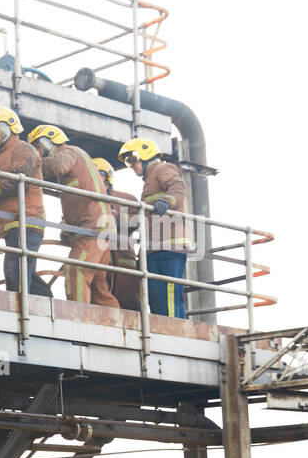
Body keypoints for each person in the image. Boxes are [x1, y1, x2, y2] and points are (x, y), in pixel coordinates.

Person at [26, 125, 118, 307]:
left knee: (76, 271)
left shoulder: (69, 152)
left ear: (49, 141)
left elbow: (58, 165)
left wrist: (29, 165)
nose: (39, 152)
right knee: (99, 287)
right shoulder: (76, 159)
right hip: (97, 227)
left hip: (92, 228)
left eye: (39, 147)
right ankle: (114, 322)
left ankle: (78, 317)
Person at [0, 106, 52, 297]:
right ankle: (48, 302)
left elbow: (14, 181)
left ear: (10, 128)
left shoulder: (23, 149)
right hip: (13, 223)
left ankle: (19, 316)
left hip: (27, 221)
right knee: (23, 271)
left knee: (15, 270)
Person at [117, 137, 195, 318]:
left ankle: (173, 331)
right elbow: (146, 215)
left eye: (131, 160)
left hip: (169, 244)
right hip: (154, 246)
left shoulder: (162, 168)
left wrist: (166, 201)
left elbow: (178, 188)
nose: (131, 166)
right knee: (156, 294)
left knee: (167, 293)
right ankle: (168, 328)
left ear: (143, 154)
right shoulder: (149, 181)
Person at [93, 157, 141, 310]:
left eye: (98, 174)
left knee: (129, 298)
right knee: (99, 298)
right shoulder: (83, 200)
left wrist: (117, 218)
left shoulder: (125, 199)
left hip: (123, 257)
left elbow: (139, 221)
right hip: (97, 257)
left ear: (107, 176)